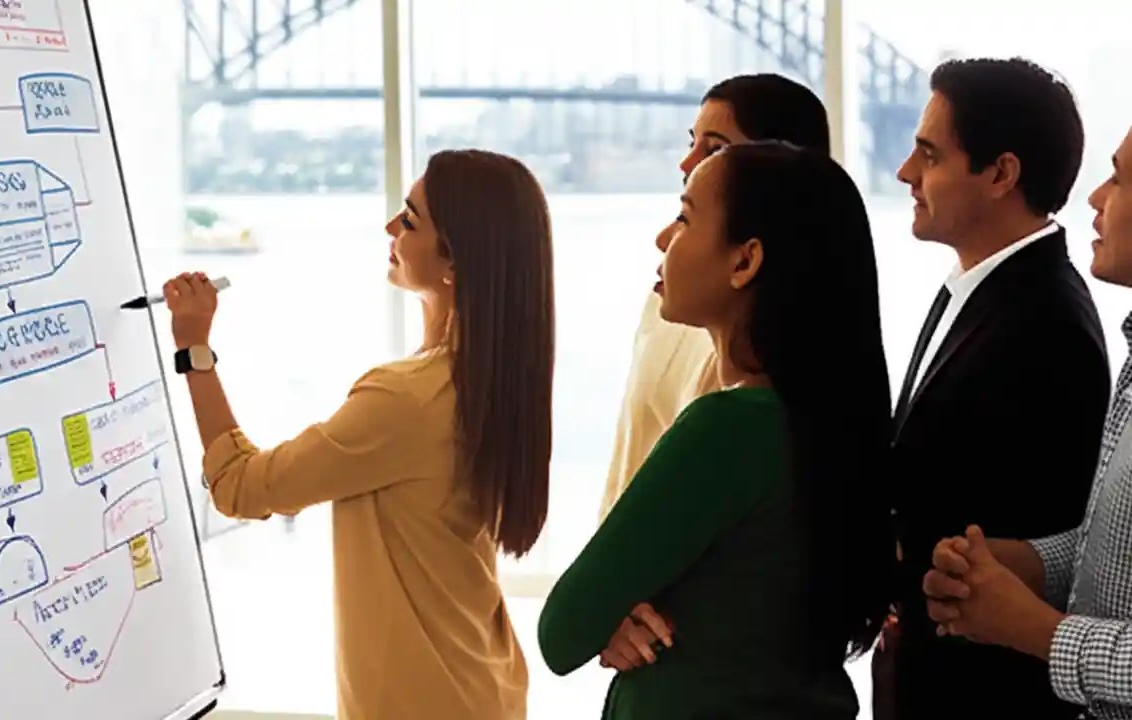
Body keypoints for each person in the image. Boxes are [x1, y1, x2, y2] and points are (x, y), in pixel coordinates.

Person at [162, 149, 555, 720]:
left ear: (456, 262)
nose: (390, 228)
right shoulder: (492, 379)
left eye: (411, 220)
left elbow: (238, 485)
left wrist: (194, 348)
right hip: (483, 685)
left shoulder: (405, 400)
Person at [538, 141, 894, 718]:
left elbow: (562, 631)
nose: (663, 239)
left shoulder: (727, 429)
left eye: (684, 217)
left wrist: (613, 611)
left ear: (744, 261)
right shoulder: (832, 424)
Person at [883, 57, 1111, 720]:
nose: (905, 173)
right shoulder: (977, 290)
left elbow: (1046, 536)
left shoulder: (1048, 323)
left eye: (930, 154)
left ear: (1001, 174)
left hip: (985, 695)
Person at [923, 125, 1132, 720]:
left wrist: (1038, 630)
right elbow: (1119, 555)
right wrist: (1025, 562)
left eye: (1119, 178)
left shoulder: (1049, 319)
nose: (1095, 198)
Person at [598, 72, 830, 522]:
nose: (687, 164)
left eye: (715, 148)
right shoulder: (665, 299)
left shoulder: (766, 355)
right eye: (692, 142)